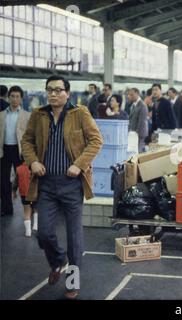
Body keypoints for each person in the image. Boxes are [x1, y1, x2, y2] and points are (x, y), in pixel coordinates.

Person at [21, 75, 103, 299]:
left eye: (58, 90)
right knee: (44, 233)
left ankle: (73, 282)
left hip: (72, 185)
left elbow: (96, 140)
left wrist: (79, 164)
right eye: (49, 90)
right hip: (46, 184)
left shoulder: (79, 113)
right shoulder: (39, 115)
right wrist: (33, 161)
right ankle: (58, 260)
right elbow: (27, 141)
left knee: (75, 238)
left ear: (68, 93)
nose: (53, 94)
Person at [0, 86, 31, 217]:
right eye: (12, 96)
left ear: (21, 99)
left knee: (23, 180)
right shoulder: (1, 115)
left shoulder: (27, 115)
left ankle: (28, 210)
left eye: (17, 96)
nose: (14, 99)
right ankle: (7, 208)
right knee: (3, 180)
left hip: (20, 151)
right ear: (8, 97)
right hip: (4, 150)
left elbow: (30, 136)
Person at [13, 157, 38, 237]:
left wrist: (14, 191)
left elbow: (15, 182)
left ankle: (28, 232)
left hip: (24, 194)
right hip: (34, 193)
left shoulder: (18, 169)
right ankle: (35, 226)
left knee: (26, 212)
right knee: (36, 209)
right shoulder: (35, 169)